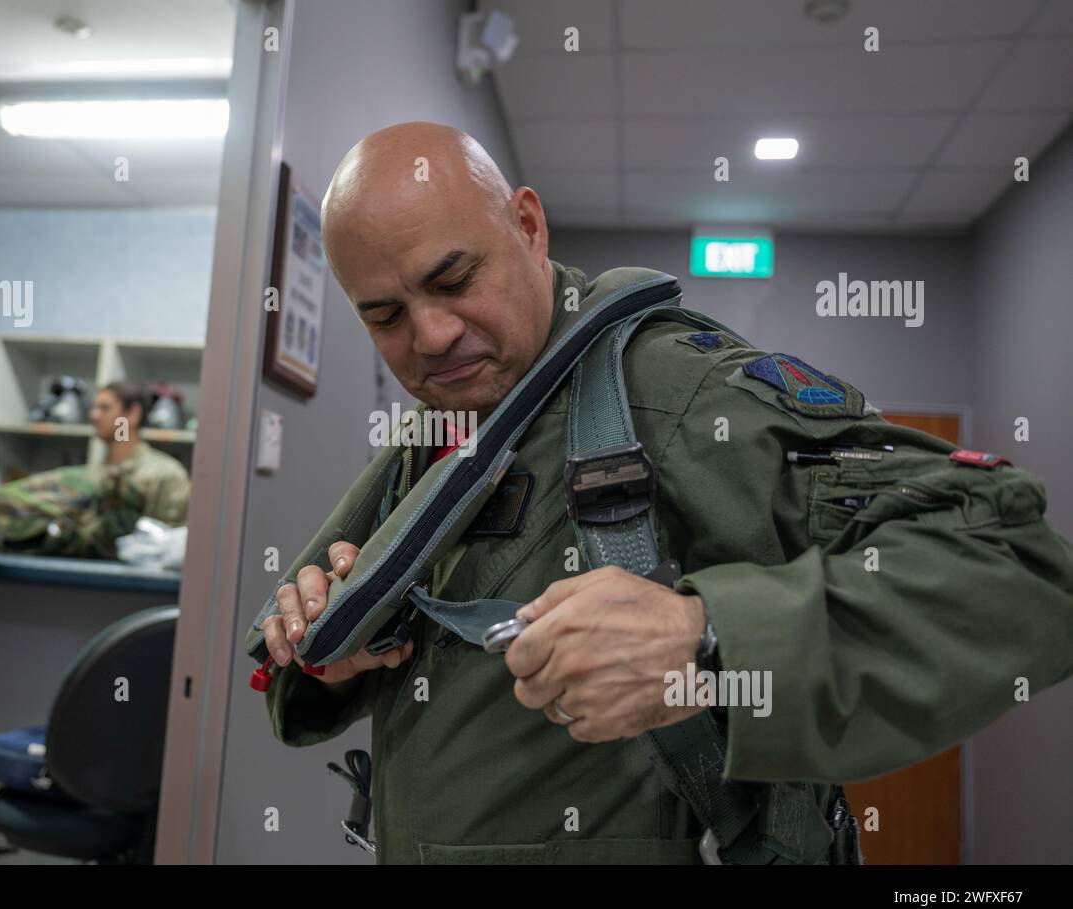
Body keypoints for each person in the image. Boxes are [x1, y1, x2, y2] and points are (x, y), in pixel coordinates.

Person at [245, 121, 1073, 865]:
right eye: (385, 315)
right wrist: (338, 652)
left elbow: (1018, 569)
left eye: (455, 279)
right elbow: (328, 665)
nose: (429, 335)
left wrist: (703, 637)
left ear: (528, 227)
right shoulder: (439, 428)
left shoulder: (669, 391)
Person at [89, 381, 190, 527]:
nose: (94, 415)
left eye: (105, 408)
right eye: (94, 408)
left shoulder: (166, 474)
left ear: (133, 413)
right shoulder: (97, 471)